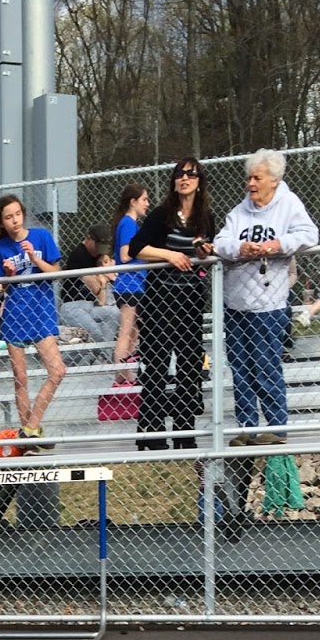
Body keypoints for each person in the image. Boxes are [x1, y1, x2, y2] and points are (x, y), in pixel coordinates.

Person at [213, 150, 317, 441]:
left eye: (257, 178)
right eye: (248, 178)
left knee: (266, 367)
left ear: (274, 179)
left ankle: (276, 429)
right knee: (240, 370)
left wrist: (278, 244)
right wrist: (240, 249)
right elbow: (220, 243)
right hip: (235, 304)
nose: (250, 184)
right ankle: (248, 429)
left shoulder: (289, 204)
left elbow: (309, 234)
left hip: (269, 306)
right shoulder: (239, 212)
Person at [129, 157, 216, 450]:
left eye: (191, 174)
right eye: (180, 174)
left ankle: (184, 433)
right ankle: (151, 437)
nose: (185, 178)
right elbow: (136, 248)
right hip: (159, 302)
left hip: (189, 302)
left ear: (199, 181)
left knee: (190, 366)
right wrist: (168, 255)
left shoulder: (205, 217)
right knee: (155, 367)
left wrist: (204, 251)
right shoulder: (161, 214)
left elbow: (208, 252)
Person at [0, 194, 65, 446]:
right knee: (21, 378)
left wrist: (35, 259)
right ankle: (29, 434)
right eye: (8, 217)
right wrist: (8, 274)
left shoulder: (41, 236)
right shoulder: (1, 247)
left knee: (58, 371)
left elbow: (56, 273)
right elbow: (2, 285)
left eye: (17, 214)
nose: (15, 220)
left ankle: (31, 427)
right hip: (15, 313)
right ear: (1, 222)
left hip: (40, 311)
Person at [58, 223, 120, 361]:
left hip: (90, 305)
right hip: (73, 306)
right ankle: (62, 362)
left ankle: (103, 359)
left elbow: (101, 300)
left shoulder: (99, 256)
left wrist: (102, 282)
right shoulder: (79, 255)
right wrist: (103, 281)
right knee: (95, 335)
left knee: (113, 313)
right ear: (89, 239)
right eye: (98, 245)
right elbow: (97, 289)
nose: (100, 251)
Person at [111, 184, 149, 381]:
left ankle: (126, 376)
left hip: (136, 284)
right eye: (144, 200)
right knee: (126, 334)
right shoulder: (127, 223)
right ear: (133, 202)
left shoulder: (131, 224)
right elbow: (125, 255)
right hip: (129, 285)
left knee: (133, 335)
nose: (147, 204)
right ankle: (121, 376)